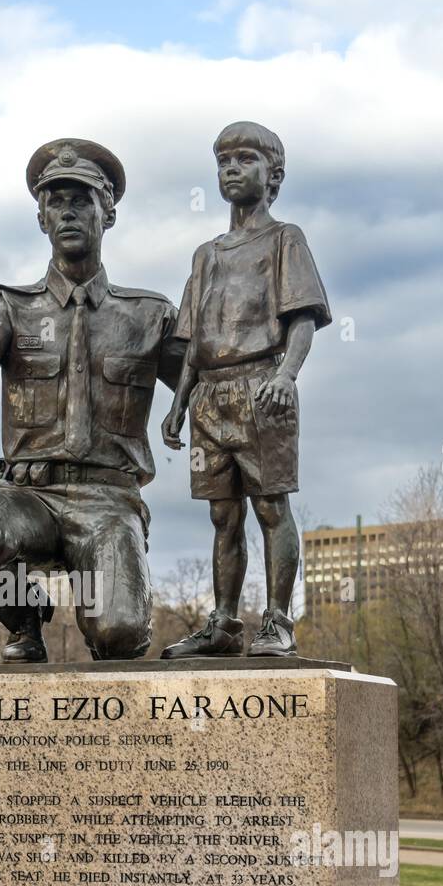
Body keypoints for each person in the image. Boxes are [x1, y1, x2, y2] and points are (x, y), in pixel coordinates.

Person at [0, 138, 182, 662]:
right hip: (28, 497)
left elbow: (203, 380)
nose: (68, 212)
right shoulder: (11, 306)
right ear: (41, 219)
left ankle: (109, 606)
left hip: (108, 503)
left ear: (109, 213)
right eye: (55, 202)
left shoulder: (149, 315)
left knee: (119, 634)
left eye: (82, 200)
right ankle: (25, 621)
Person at [161, 121, 331, 659]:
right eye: (223, 161)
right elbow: (191, 341)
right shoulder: (205, 254)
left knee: (271, 506)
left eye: (244, 159)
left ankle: (278, 621)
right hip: (209, 394)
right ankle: (224, 624)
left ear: (272, 173)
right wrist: (178, 402)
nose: (231, 169)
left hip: (262, 386)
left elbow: (302, 319)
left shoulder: (286, 239)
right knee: (221, 514)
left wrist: (286, 375)